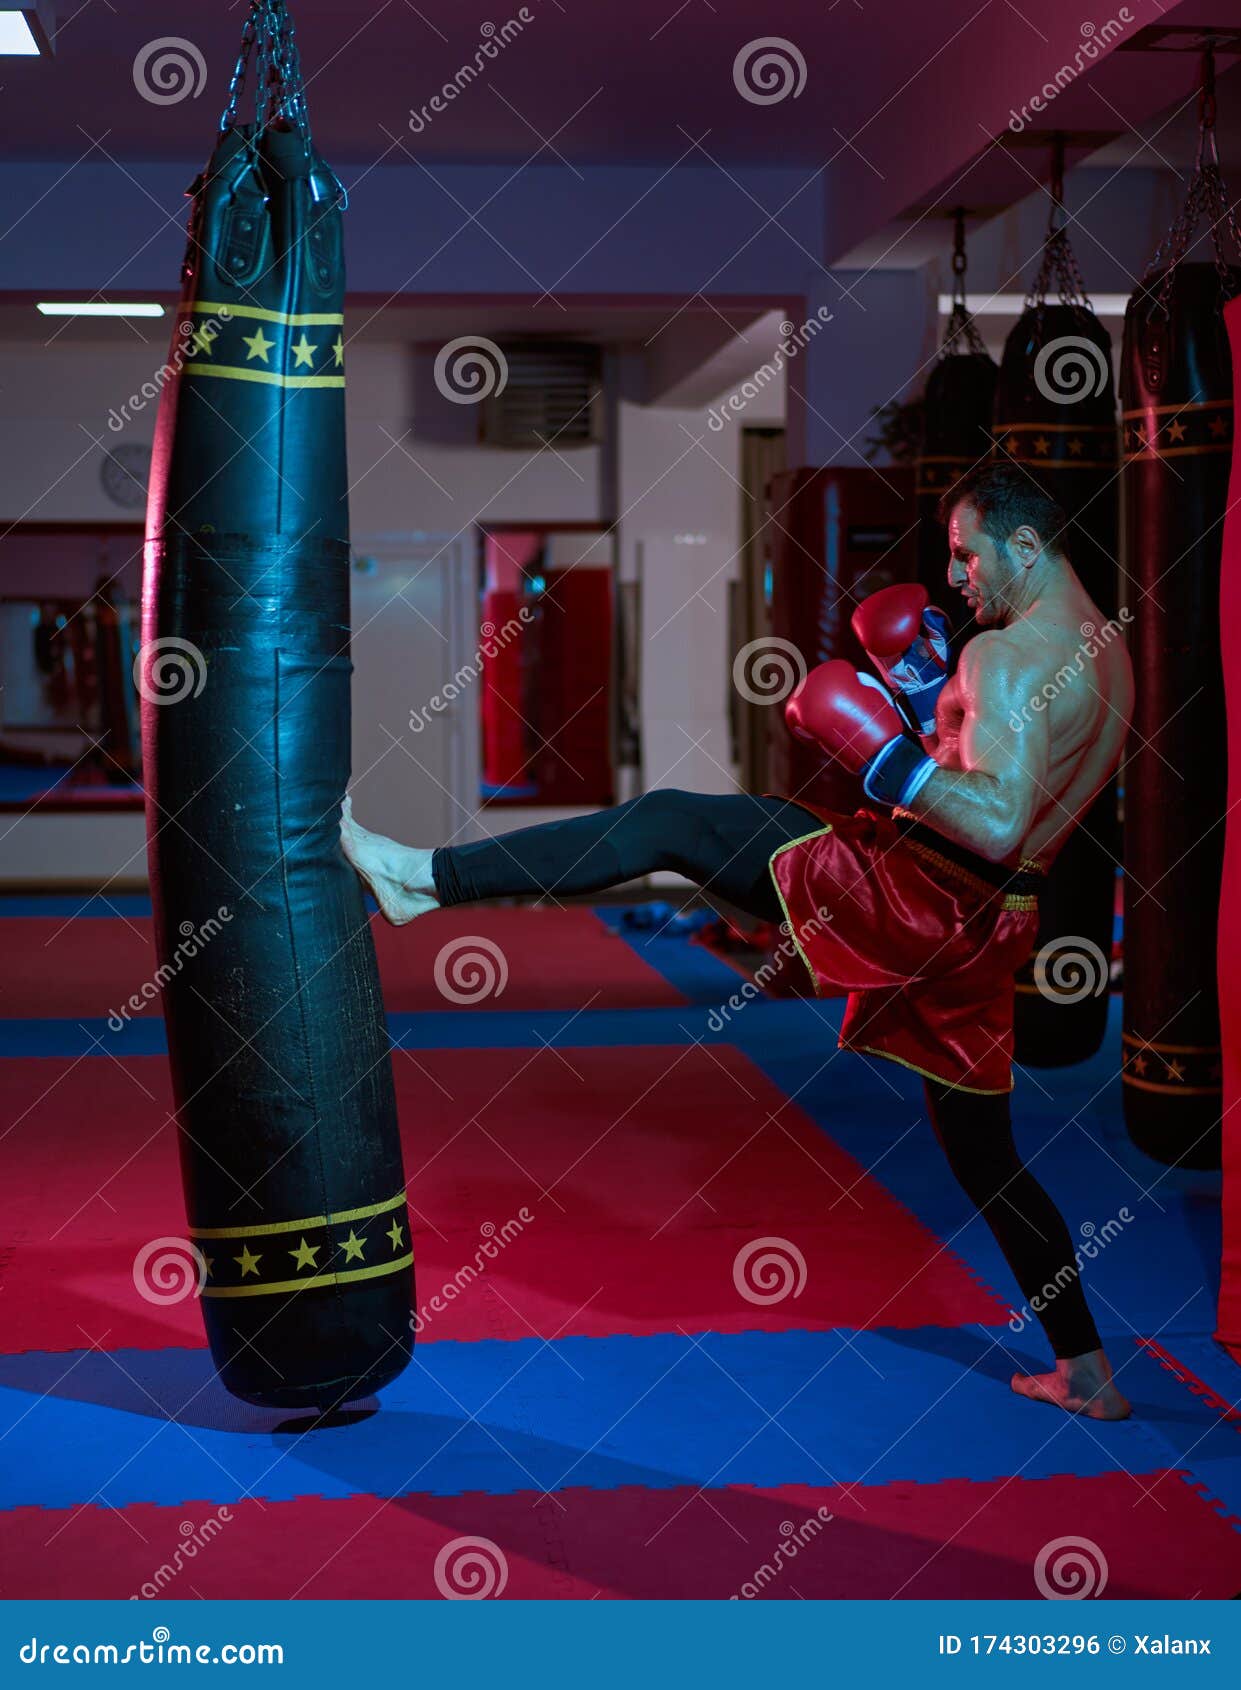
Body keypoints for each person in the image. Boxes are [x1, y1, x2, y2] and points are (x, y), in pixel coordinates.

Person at [342, 461, 1134, 1420]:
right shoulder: (1108, 655)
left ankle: (421, 881)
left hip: (918, 894)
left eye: (967, 555)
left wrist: (881, 754)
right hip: (996, 924)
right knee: (983, 1149)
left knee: (674, 820)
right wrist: (932, 711)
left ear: (1022, 544)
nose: (958, 577)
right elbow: (1024, 798)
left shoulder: (1002, 660)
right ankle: (1084, 1367)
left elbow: (998, 817)